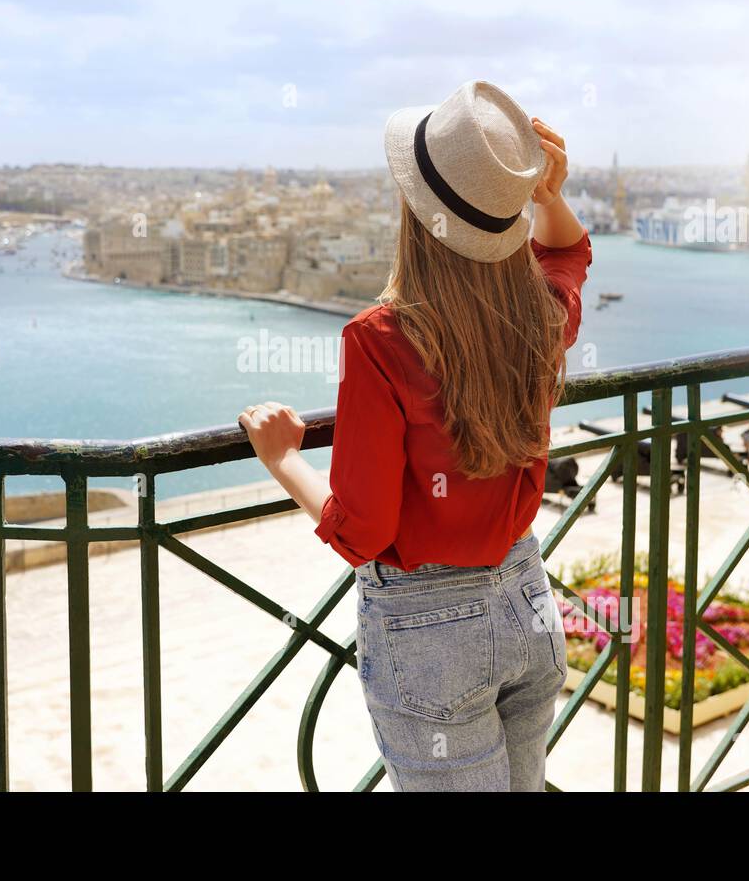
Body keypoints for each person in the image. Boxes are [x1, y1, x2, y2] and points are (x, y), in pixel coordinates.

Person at [238, 81, 590, 791]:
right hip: (527, 604)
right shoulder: (538, 318)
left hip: (431, 636)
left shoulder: (381, 339)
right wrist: (547, 194)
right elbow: (568, 256)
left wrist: (282, 460)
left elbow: (362, 530)